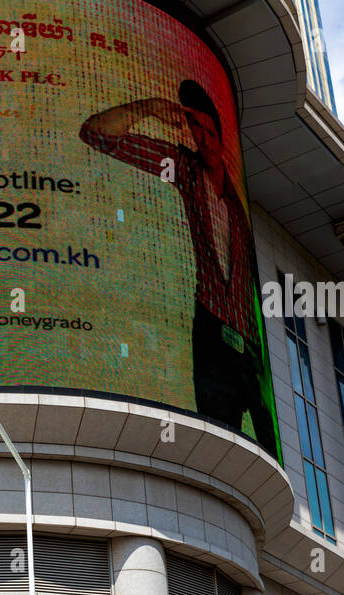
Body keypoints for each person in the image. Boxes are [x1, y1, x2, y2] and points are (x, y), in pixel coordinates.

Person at [80, 80, 278, 457]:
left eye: (208, 130)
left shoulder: (238, 207)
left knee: (270, 450)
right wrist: (150, 107)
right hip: (211, 333)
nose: (202, 139)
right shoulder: (183, 169)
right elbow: (96, 134)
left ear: (221, 134)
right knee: (215, 447)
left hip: (251, 346)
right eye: (195, 130)